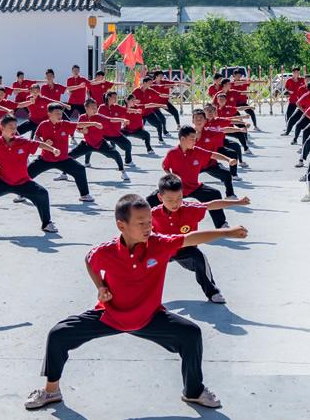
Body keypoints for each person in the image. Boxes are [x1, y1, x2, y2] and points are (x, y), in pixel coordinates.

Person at [24, 194, 247, 410]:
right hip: (110, 316)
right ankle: (51, 391)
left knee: (191, 334)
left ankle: (193, 391)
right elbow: (89, 260)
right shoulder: (106, 251)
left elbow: (191, 238)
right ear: (121, 225)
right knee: (58, 334)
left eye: (149, 221)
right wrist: (100, 286)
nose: (148, 227)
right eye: (141, 223)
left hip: (149, 317)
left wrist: (226, 232)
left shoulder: (159, 244)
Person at [147, 174, 251, 304]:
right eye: (170, 199)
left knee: (200, 258)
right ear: (160, 198)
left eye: (179, 198)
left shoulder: (191, 209)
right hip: (163, 249)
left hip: (185, 248)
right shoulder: (152, 213)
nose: (175, 203)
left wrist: (238, 202)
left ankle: (212, 292)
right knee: (142, 266)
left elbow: (212, 204)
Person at [0, 115, 62, 234]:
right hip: (1, 181)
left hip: (23, 182)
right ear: (2, 128)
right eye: (11, 127)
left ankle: (46, 224)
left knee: (42, 194)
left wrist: (53, 149)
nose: (14, 129)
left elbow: (39, 144)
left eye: (15, 127)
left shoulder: (23, 142)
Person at [161, 125, 239, 228]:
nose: (195, 141)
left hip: (194, 187)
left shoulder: (197, 150)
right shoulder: (172, 153)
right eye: (192, 138)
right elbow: (165, 166)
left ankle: (221, 225)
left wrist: (228, 159)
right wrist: (170, 176)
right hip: (178, 188)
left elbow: (212, 154)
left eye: (195, 138)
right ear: (183, 139)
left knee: (214, 194)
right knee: (153, 199)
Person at [27, 103, 101, 202]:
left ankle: (84, 195)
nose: (60, 115)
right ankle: (22, 194)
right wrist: (43, 143)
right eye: (57, 113)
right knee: (26, 173)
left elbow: (78, 125)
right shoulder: (43, 124)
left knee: (80, 169)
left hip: (63, 159)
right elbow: (36, 137)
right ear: (49, 114)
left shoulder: (65, 124)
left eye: (61, 113)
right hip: (45, 159)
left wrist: (94, 123)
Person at [70, 98, 131, 181]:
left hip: (100, 143)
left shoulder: (99, 117)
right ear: (86, 108)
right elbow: (77, 127)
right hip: (87, 144)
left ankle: (123, 172)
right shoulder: (82, 117)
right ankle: (64, 173)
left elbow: (111, 119)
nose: (95, 109)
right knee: (69, 156)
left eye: (96, 107)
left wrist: (123, 120)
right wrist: (82, 131)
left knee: (116, 154)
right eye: (92, 107)